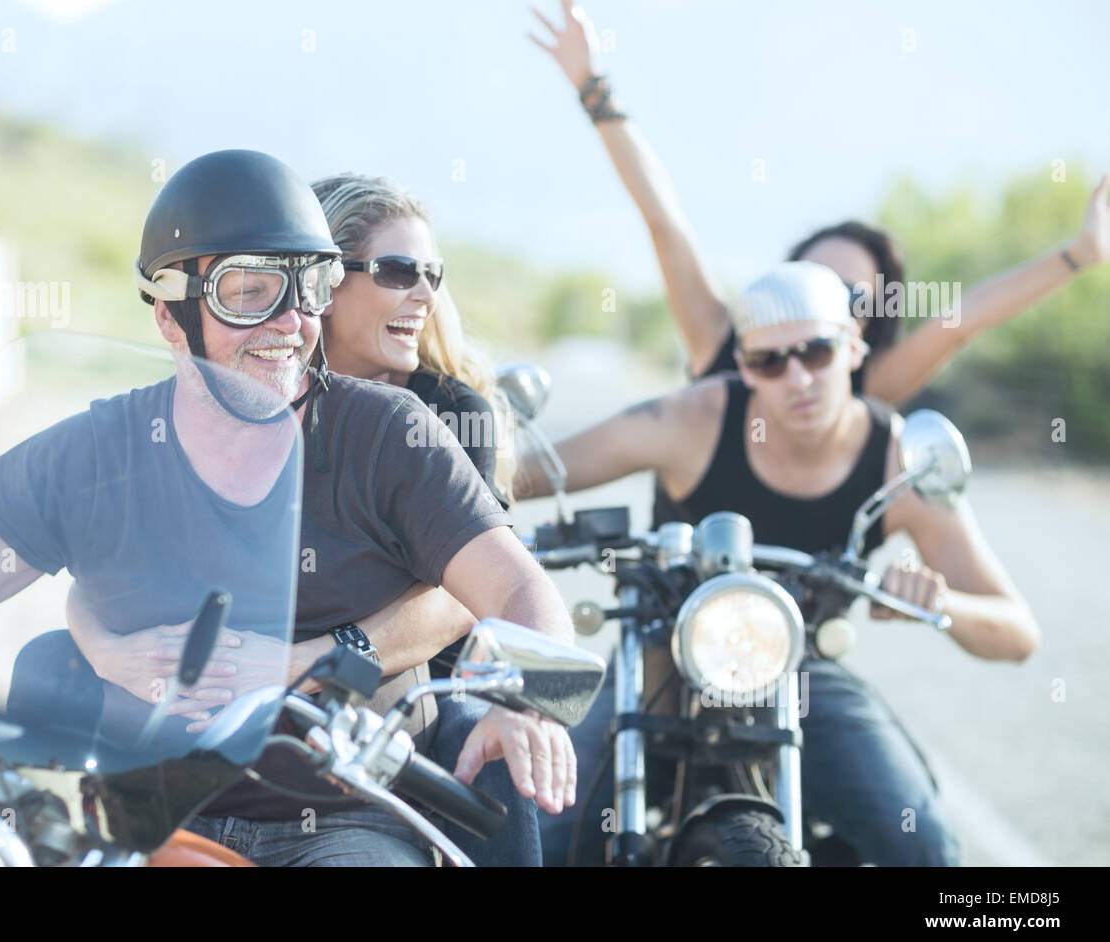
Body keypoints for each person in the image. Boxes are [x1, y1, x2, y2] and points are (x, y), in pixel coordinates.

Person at [0, 149, 577, 866]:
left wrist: (531, 703)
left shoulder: (391, 434)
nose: (290, 322)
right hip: (149, 829)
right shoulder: (103, 448)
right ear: (172, 318)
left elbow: (521, 588)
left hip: (349, 824)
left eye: (310, 288)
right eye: (250, 293)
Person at [518, 260, 1042, 866]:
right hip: (661, 656)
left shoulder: (897, 458)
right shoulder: (696, 417)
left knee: (920, 842)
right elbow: (536, 469)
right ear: (744, 364)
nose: (797, 378)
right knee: (543, 827)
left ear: (852, 346)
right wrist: (436, 466)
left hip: (800, 672)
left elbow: (1017, 632)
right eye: (770, 360)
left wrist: (939, 602)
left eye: (815, 352)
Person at [530, 1, 1110, 525]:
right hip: (680, 611)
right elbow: (666, 222)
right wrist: (593, 88)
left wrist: (1078, 254)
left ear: (863, 331)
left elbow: (963, 319)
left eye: (851, 297)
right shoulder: (717, 340)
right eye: (815, 282)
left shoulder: (870, 389)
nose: (797, 373)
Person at [308, 171, 538, 866]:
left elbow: (467, 599)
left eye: (431, 273)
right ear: (321, 281)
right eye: (399, 270)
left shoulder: (452, 411)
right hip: (268, 683)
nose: (425, 294)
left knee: (492, 758)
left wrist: (331, 659)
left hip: (430, 685)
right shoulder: (259, 398)